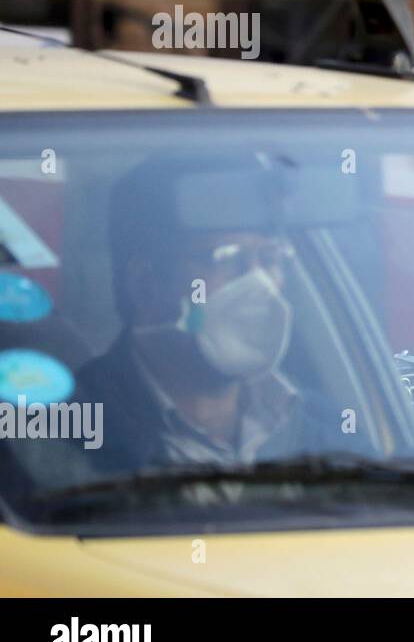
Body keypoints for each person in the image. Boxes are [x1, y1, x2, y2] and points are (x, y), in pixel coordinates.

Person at [77, 156, 348, 474]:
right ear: (145, 284)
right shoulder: (69, 433)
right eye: (226, 259)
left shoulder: (323, 428)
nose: (259, 283)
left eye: (271, 257)